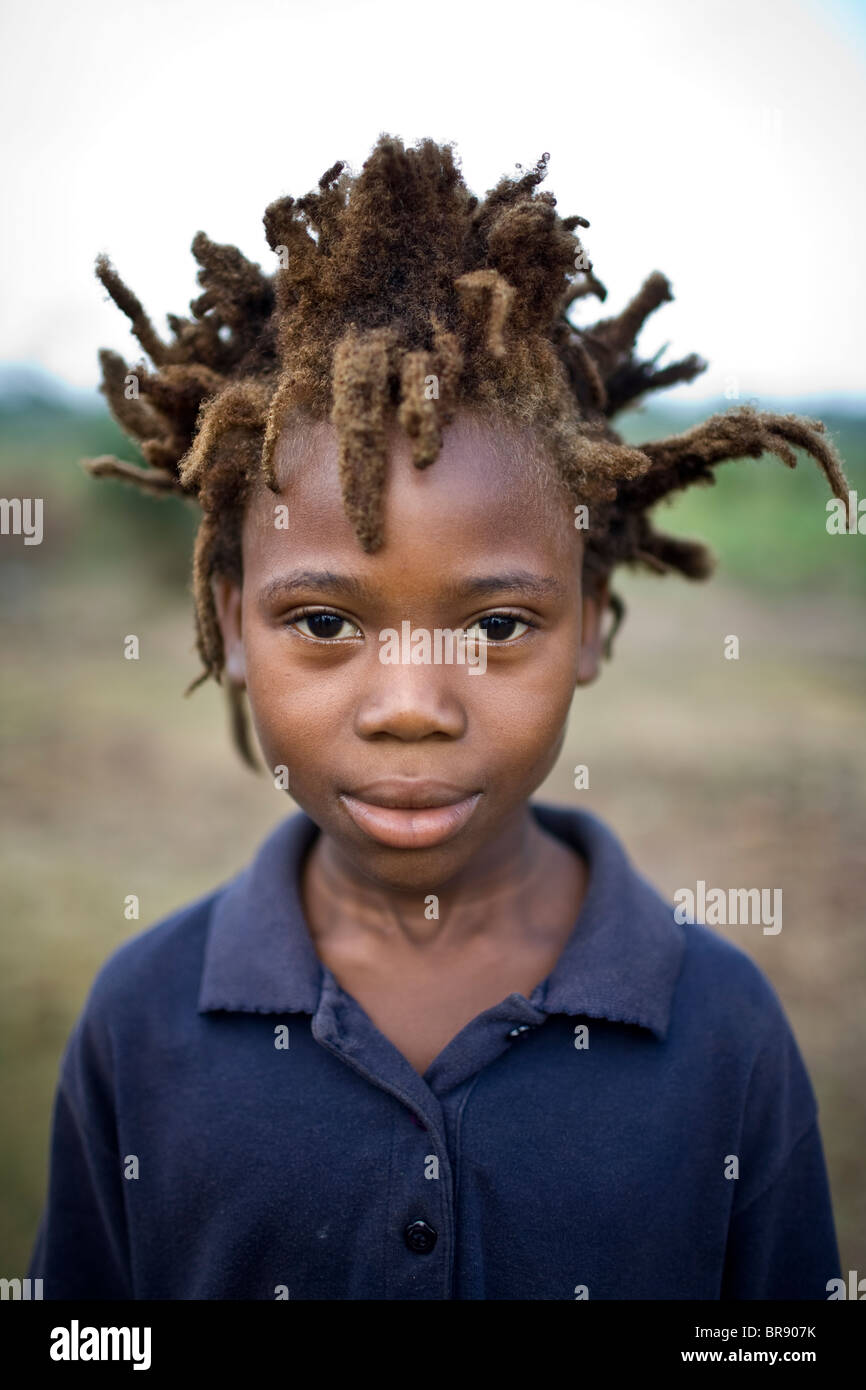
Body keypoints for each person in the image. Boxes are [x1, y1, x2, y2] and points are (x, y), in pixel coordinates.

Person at [29, 135, 845, 1299]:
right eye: (322, 623)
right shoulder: (140, 1024)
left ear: (594, 627)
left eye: (497, 627)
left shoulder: (720, 1033)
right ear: (229, 625)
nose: (410, 707)